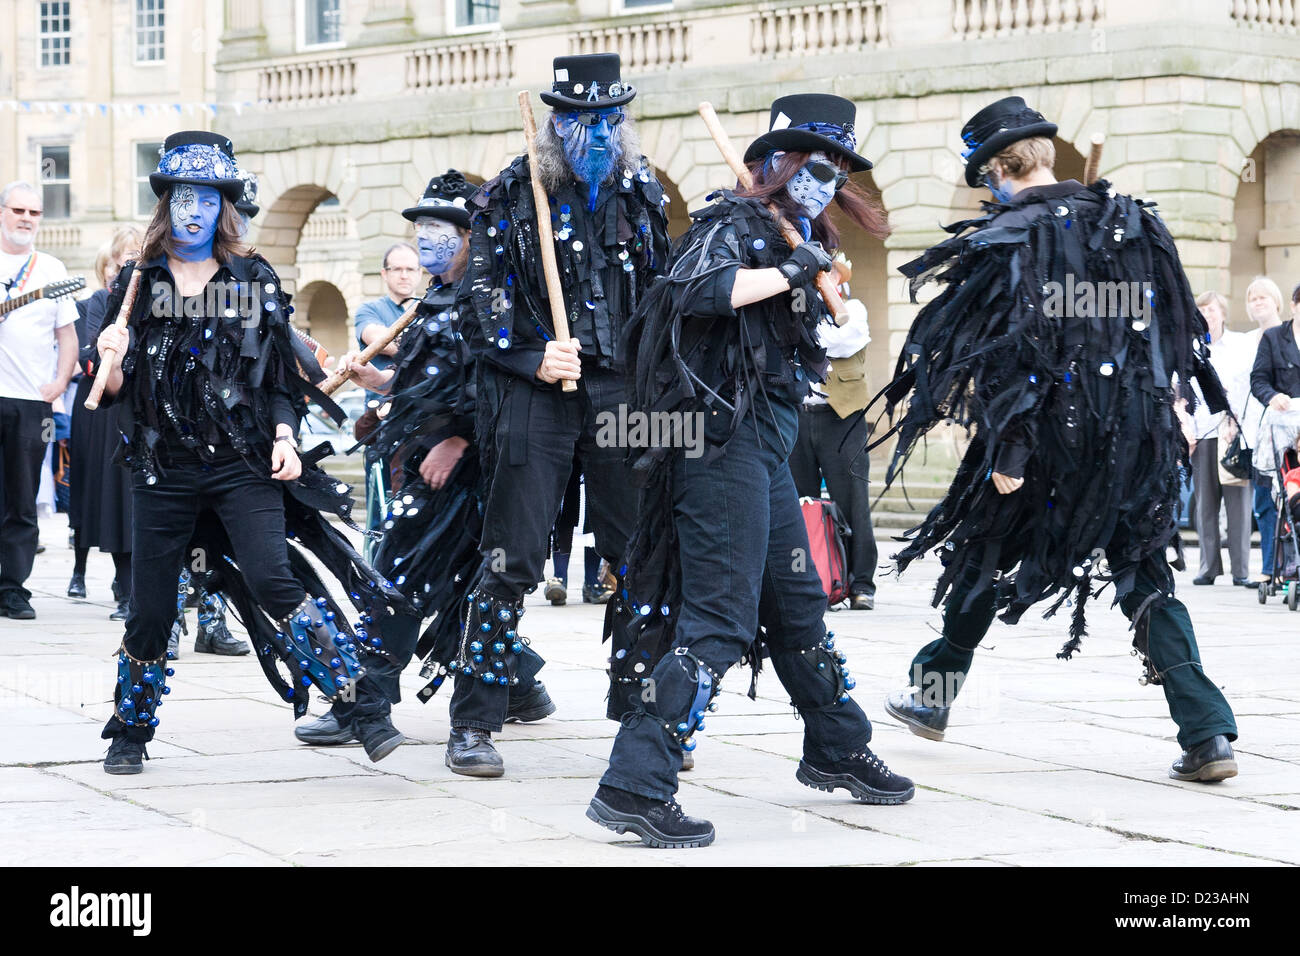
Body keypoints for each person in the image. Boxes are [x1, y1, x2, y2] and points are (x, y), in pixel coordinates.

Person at [879, 96, 1239, 784]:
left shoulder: (1011, 235)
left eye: (985, 178)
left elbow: (1008, 350)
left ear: (999, 171)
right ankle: (1208, 733)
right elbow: (1174, 335)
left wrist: (1008, 447)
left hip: (1044, 439)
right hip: (1136, 435)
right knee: (1143, 571)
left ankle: (932, 697)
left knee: (986, 553)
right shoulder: (1135, 225)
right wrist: (1169, 409)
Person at [588, 93, 912, 849]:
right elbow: (698, 293)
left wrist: (820, 296)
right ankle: (635, 784)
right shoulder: (730, 224)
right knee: (720, 622)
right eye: (815, 168)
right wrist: (794, 268)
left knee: (799, 605)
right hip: (717, 442)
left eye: (837, 174)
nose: (826, 185)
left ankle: (836, 748)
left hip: (766, 441)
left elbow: (795, 336)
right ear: (776, 164)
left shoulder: (795, 235)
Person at [91, 131, 399, 774]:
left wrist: (285, 437)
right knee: (150, 607)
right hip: (163, 470)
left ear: (224, 205)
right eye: (182, 197)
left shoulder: (250, 278)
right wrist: (111, 357)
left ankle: (360, 705)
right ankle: (132, 729)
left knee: (272, 579)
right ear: (167, 206)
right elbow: (113, 392)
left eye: (207, 196)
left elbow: (279, 382)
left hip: (242, 463)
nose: (194, 209)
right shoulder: (138, 284)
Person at [452, 53, 670, 776]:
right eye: (583, 121)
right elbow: (477, 307)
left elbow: (661, 295)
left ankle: (643, 715)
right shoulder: (512, 195)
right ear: (556, 124)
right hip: (535, 396)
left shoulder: (641, 194)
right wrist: (531, 354)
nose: (600, 133)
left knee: (637, 554)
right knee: (509, 556)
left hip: (623, 395)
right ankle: (477, 720)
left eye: (611, 118)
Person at [292, 171, 556, 764]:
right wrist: (381, 397)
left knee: (402, 581)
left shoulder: (490, 299)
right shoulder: (431, 300)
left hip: (478, 475)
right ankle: (524, 686)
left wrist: (458, 439)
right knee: (458, 588)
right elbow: (426, 387)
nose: (426, 240)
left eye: (440, 228)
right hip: (427, 467)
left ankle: (364, 704)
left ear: (471, 236)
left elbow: (497, 383)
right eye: (421, 228)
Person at [0, 180, 79, 620]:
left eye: (34, 212)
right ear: (1, 212)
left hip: (32, 402)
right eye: (19, 210)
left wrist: (58, 381)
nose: (26, 219)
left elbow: (66, 336)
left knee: (22, 497)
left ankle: (12, 587)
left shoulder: (51, 268)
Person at [789, 288, 878, 609]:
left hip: (842, 418)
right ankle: (807, 579)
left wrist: (801, 328)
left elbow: (840, 341)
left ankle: (861, 584)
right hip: (798, 415)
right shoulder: (795, 306)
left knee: (853, 500)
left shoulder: (853, 307)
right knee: (798, 503)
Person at [68, 227, 141, 618]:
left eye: (138, 257)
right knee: (115, 496)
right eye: (126, 258)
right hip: (112, 409)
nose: (130, 265)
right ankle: (125, 590)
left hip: (150, 410)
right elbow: (90, 357)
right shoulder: (100, 302)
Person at [1186, 291, 1253, 586]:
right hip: (1202, 433)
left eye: (1210, 309)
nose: (1206, 315)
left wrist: (1236, 421)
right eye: (1200, 310)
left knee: (1238, 504)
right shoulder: (1191, 347)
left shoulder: (1240, 344)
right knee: (1205, 504)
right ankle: (1208, 567)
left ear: (1223, 313)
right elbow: (1183, 390)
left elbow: (1248, 384)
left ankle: (1241, 570)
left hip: (1232, 432)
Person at [1246, 276, 1291, 584]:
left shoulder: (1288, 336)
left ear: (1277, 301)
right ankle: (1268, 568)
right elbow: (1242, 387)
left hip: (1288, 427)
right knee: (1263, 503)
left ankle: (1284, 566)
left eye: (1263, 297)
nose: (1257, 302)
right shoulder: (1246, 341)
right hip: (1256, 429)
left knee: (1288, 499)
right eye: (1252, 298)